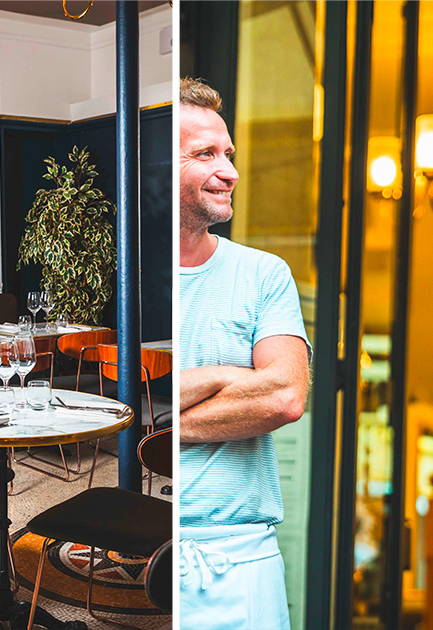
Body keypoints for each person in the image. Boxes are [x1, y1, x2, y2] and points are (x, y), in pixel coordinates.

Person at [178, 76, 310, 630]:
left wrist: (167, 412)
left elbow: (283, 395)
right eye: (205, 154)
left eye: (228, 153)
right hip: (138, 527)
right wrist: (230, 378)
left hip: (239, 552)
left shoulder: (263, 273)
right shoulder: (134, 277)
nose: (230, 171)